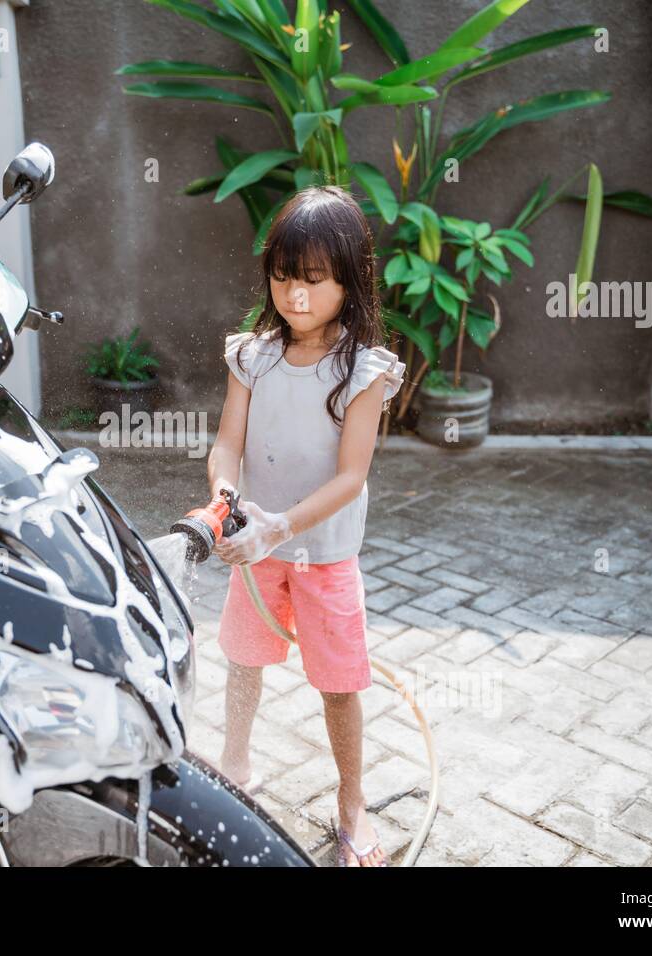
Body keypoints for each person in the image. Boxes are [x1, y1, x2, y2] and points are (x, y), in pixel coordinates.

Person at [206, 185, 405, 867]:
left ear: (350, 281)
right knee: (242, 662)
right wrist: (226, 494)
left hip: (323, 555)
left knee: (339, 683)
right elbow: (227, 442)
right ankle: (234, 768)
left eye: (314, 280)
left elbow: (350, 477)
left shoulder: (363, 372)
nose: (295, 295)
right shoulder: (252, 356)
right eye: (284, 276)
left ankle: (352, 802)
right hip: (255, 549)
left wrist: (279, 526)